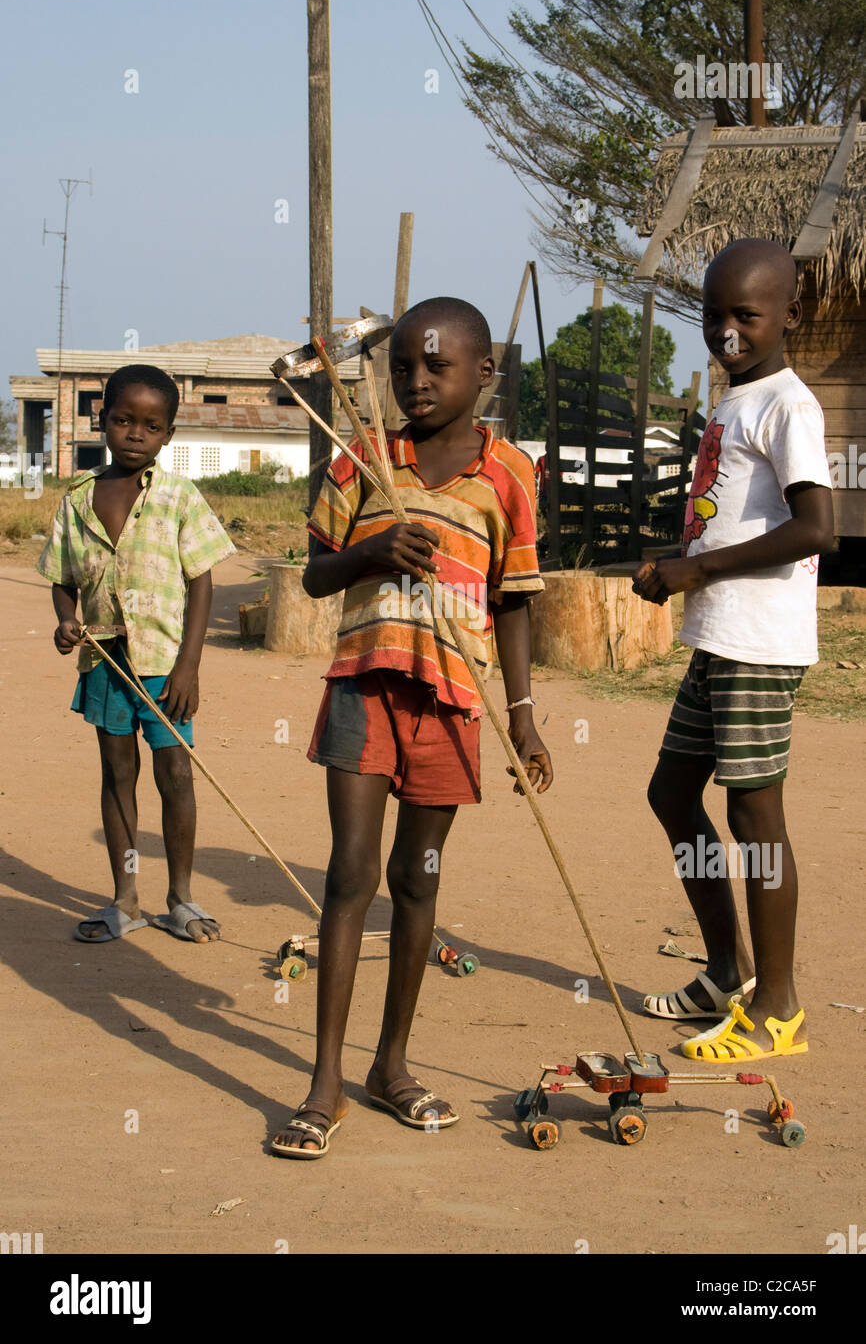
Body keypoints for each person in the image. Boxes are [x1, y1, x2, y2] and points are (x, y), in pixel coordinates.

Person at [271, 297, 553, 1157]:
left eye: (438, 367)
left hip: (452, 703)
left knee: (418, 882)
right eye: (403, 369)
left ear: (484, 375)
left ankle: (390, 1066)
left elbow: (512, 602)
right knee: (350, 874)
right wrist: (368, 552)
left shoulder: (509, 474)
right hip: (364, 686)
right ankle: (324, 1083)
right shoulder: (362, 458)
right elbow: (317, 575)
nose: (417, 383)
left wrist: (524, 716)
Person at [633, 238, 834, 1061]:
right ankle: (725, 969)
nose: (726, 331)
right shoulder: (732, 401)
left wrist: (697, 568)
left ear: (788, 315)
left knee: (756, 816)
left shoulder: (791, 405)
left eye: (746, 316)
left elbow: (816, 527)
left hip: (760, 641)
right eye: (714, 315)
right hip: (720, 640)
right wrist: (679, 571)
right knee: (672, 796)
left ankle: (778, 1010)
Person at [37, 364, 235, 944]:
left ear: (169, 435)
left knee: (175, 774)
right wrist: (66, 620)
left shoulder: (179, 496)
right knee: (117, 775)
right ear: (102, 420)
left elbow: (202, 581)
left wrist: (188, 666)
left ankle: (181, 898)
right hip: (104, 663)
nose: (134, 433)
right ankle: (124, 898)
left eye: (151, 425)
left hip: (164, 665)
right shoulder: (77, 499)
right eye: (122, 420)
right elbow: (61, 577)